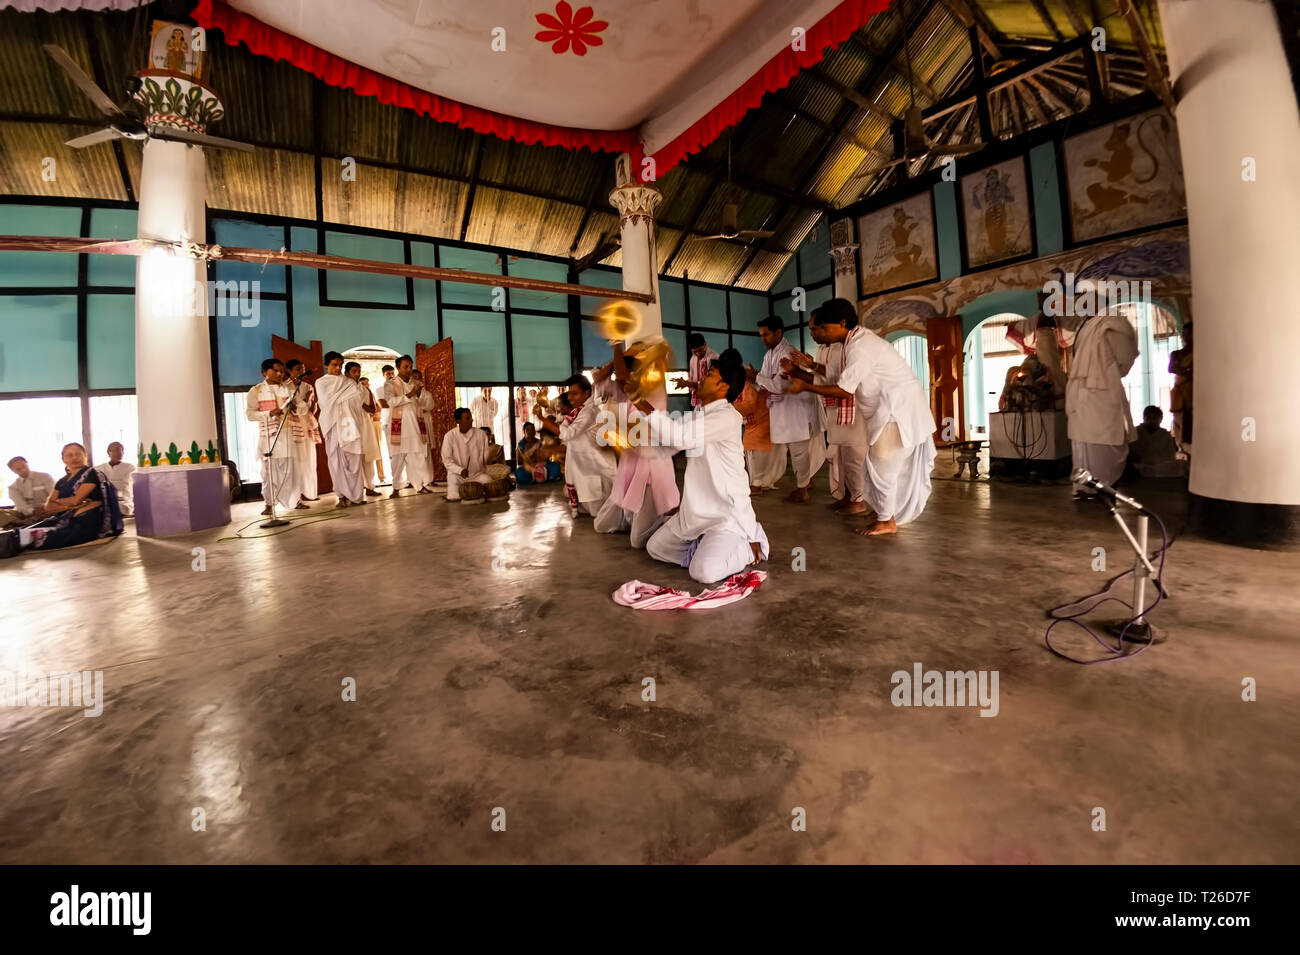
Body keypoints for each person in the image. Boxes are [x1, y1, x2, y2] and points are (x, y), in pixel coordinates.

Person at [786, 300, 937, 536]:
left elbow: (844, 389)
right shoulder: (853, 342)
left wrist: (805, 388)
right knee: (876, 465)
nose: (820, 333)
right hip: (888, 412)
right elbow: (837, 375)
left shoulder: (860, 345)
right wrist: (808, 371)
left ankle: (887, 520)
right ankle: (883, 513)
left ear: (842, 323)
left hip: (898, 411)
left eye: (824, 328)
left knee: (882, 464)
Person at [635, 352, 769, 583]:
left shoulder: (726, 417)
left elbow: (679, 438)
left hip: (724, 515)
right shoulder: (699, 414)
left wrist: (641, 403)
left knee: (703, 573)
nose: (701, 378)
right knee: (656, 548)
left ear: (723, 387)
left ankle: (752, 544)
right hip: (696, 514)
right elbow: (672, 436)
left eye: (709, 374)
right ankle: (707, 546)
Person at [592, 341, 681, 548]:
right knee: (601, 525)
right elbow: (599, 379)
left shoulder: (653, 385)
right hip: (631, 462)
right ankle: (640, 517)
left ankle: (671, 519)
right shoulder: (625, 392)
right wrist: (621, 354)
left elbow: (624, 375)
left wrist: (617, 349)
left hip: (652, 466)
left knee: (638, 541)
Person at [797, 300, 869, 515]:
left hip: (852, 411)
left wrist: (808, 381)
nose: (813, 333)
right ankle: (846, 495)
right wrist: (801, 369)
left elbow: (842, 380)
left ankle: (858, 499)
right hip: (833, 409)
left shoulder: (846, 346)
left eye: (816, 328)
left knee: (854, 456)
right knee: (838, 456)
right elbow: (826, 376)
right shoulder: (821, 349)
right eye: (810, 329)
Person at [750, 315, 826, 503]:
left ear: (778, 332)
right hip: (782, 410)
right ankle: (803, 483)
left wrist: (756, 377)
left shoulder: (787, 352)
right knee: (794, 449)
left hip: (796, 409)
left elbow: (776, 385)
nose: (763, 339)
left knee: (799, 449)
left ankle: (802, 489)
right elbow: (765, 383)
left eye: (766, 334)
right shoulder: (770, 354)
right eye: (761, 335)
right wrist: (755, 378)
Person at [1065, 312, 1140, 494]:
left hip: (1099, 388)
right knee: (1084, 441)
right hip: (1084, 391)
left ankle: (1097, 486)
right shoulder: (1085, 325)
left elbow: (1124, 359)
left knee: (1106, 439)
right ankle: (1086, 488)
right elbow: (1124, 360)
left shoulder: (1113, 324)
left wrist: (1107, 372)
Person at [14, 443, 123, 552]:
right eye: (70, 455)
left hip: (86, 522)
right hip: (63, 519)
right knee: (23, 532)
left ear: (85, 456)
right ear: (63, 459)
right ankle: (11, 541)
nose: (75, 457)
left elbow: (75, 500)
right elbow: (49, 507)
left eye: (78, 454)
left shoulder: (92, 474)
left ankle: (11, 543)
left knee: (38, 537)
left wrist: (63, 502)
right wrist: (73, 503)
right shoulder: (62, 481)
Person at [540, 374, 616, 518]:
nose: (570, 398)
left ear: (586, 393)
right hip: (582, 468)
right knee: (578, 494)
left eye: (574, 393)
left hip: (594, 468)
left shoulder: (588, 412)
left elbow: (568, 434)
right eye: (569, 394)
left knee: (599, 514)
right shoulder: (578, 411)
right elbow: (565, 432)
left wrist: (542, 419)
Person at [245, 358, 304, 515]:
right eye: (275, 370)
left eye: (281, 371)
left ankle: (294, 500)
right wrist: (269, 413)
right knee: (269, 472)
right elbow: (250, 415)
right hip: (270, 437)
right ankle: (269, 504)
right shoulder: (256, 391)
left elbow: (303, 408)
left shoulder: (289, 389)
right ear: (265, 372)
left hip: (289, 435)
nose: (279, 374)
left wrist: (296, 406)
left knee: (292, 470)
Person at [382, 354, 435, 497]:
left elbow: (424, 402)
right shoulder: (390, 384)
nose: (409, 369)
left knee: (417, 456)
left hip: (415, 425)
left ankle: (420, 485)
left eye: (410, 366)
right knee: (398, 458)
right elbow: (391, 402)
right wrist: (410, 394)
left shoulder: (415, 383)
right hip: (399, 427)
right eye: (405, 366)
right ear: (398, 367)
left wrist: (418, 393)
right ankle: (396, 488)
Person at [731, 372, 778, 493]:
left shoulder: (747, 386)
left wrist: (731, 407)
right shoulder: (742, 385)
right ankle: (760, 482)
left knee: (758, 453)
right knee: (752, 453)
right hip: (754, 424)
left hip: (761, 423)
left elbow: (749, 405)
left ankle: (758, 483)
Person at [284, 359, 322, 501]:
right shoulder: (284, 387)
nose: (302, 372)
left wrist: (309, 402)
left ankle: (309, 492)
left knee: (309, 459)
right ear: (289, 370)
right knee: (296, 461)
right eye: (298, 369)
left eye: (303, 369)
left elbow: (311, 409)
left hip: (306, 425)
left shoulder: (308, 386)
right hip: (293, 426)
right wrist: (305, 402)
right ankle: (296, 496)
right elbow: (292, 408)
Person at [346, 362, 383, 499]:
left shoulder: (363, 389)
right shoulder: (345, 387)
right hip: (350, 422)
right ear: (347, 373)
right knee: (353, 457)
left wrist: (364, 406)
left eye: (358, 371)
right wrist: (361, 405)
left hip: (365, 423)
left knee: (367, 456)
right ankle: (354, 490)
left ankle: (369, 487)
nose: (357, 374)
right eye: (354, 371)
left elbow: (372, 408)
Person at [442, 408, 492, 501]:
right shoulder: (449, 436)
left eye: (471, 417)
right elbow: (447, 460)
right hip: (457, 476)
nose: (471, 420)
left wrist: (489, 455)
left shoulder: (481, 434)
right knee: (454, 496)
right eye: (468, 418)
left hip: (477, 475)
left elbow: (486, 458)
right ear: (458, 421)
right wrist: (460, 470)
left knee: (490, 486)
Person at [1129, 406, 1185, 478]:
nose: (1152, 421)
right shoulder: (1135, 433)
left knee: (1182, 465)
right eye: (1149, 418)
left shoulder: (1165, 435)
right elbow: (1130, 455)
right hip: (1140, 468)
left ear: (1160, 419)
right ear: (1143, 418)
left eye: (1155, 418)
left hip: (1160, 468)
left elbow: (1171, 456)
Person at [2, 456, 55, 529]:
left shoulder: (45, 477)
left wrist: (46, 508)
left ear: (27, 463)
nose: (22, 470)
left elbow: (54, 495)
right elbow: (21, 506)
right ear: (13, 470)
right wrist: (32, 511)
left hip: (47, 509)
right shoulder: (13, 487)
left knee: (51, 512)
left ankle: (25, 523)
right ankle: (25, 523)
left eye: (23, 466)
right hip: (25, 514)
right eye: (18, 469)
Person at [673, 333, 718, 408]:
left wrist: (687, 383)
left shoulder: (714, 358)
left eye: (700, 350)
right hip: (698, 400)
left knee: (709, 418)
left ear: (705, 344)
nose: (698, 354)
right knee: (699, 419)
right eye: (695, 352)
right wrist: (685, 383)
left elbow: (710, 383)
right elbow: (692, 379)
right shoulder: (693, 359)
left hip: (711, 400)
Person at [359, 375, 386, 494]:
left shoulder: (368, 393)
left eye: (367, 383)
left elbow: (373, 409)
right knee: (357, 457)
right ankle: (359, 488)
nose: (366, 385)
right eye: (363, 383)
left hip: (371, 424)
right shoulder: (350, 392)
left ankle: (374, 483)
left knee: (373, 452)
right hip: (354, 427)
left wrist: (362, 405)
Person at [1168, 321, 1193, 449]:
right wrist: (1188, 372)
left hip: (1195, 396)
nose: (1186, 337)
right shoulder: (1176, 354)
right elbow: (1171, 368)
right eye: (1184, 334)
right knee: (1179, 425)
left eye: (1190, 334)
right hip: (1180, 395)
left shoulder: (1201, 354)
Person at [96, 441, 136, 517]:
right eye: (116, 450)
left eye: (122, 450)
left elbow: (126, 486)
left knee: (120, 508)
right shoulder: (99, 468)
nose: (120, 452)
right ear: (108, 452)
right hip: (105, 500)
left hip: (124, 502)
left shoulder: (130, 467)